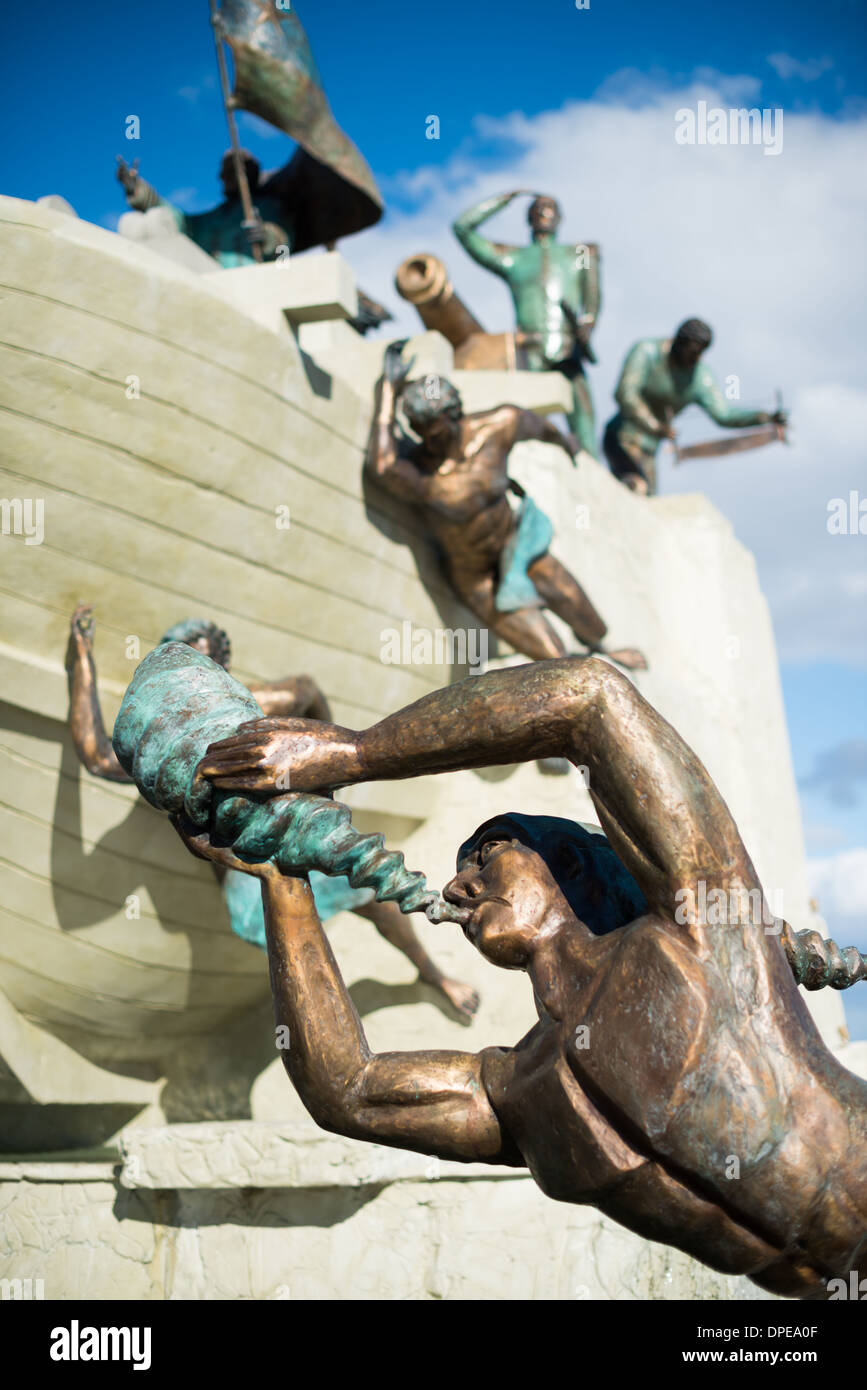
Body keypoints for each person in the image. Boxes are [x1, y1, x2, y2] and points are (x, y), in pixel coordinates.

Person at [177, 655, 867, 1299]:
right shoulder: (522, 1094)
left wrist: (353, 753)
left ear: (564, 860)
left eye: (488, 854)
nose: (458, 886)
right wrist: (281, 881)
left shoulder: (705, 936)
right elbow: (348, 1092)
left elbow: (590, 698)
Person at [65, 604, 479, 1020]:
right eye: (184, 650)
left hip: (292, 821)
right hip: (247, 870)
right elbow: (99, 757)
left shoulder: (252, 704)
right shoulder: (156, 745)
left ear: (219, 669)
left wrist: (328, 779)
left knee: (373, 897)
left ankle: (433, 974)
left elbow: (308, 690)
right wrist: (82, 659)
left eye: (204, 656)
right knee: (297, 938)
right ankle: (337, 1024)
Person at [365, 345, 646, 670]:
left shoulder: (498, 426)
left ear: (454, 413)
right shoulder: (422, 474)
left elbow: (540, 427)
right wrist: (386, 392)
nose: (428, 439)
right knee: (554, 658)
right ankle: (579, 665)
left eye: (435, 429)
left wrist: (565, 441)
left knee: (572, 599)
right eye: (419, 431)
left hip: (519, 549)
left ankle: (603, 647)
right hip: (479, 579)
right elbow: (382, 465)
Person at [453, 191, 600, 459]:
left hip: (569, 350)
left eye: (550, 208)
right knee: (527, 421)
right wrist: (504, 199)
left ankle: (593, 475)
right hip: (530, 348)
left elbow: (591, 301)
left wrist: (587, 327)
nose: (544, 213)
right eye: (538, 209)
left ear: (560, 217)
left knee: (584, 422)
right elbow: (462, 228)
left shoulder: (579, 253)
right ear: (528, 218)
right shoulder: (515, 258)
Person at [603, 318, 789, 495]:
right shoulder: (647, 351)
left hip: (650, 451)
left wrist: (765, 418)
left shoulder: (700, 378)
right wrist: (655, 426)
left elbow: (724, 415)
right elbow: (625, 393)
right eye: (691, 351)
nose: (696, 358)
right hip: (621, 438)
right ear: (678, 343)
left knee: (646, 502)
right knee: (635, 485)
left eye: (700, 353)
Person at [116, 150, 291, 268]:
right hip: (213, 277)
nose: (224, 177)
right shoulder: (213, 217)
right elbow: (181, 221)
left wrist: (267, 236)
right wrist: (140, 190)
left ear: (249, 175)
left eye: (233, 171)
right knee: (148, 220)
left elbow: (285, 245)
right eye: (225, 172)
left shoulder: (269, 207)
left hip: (250, 281)